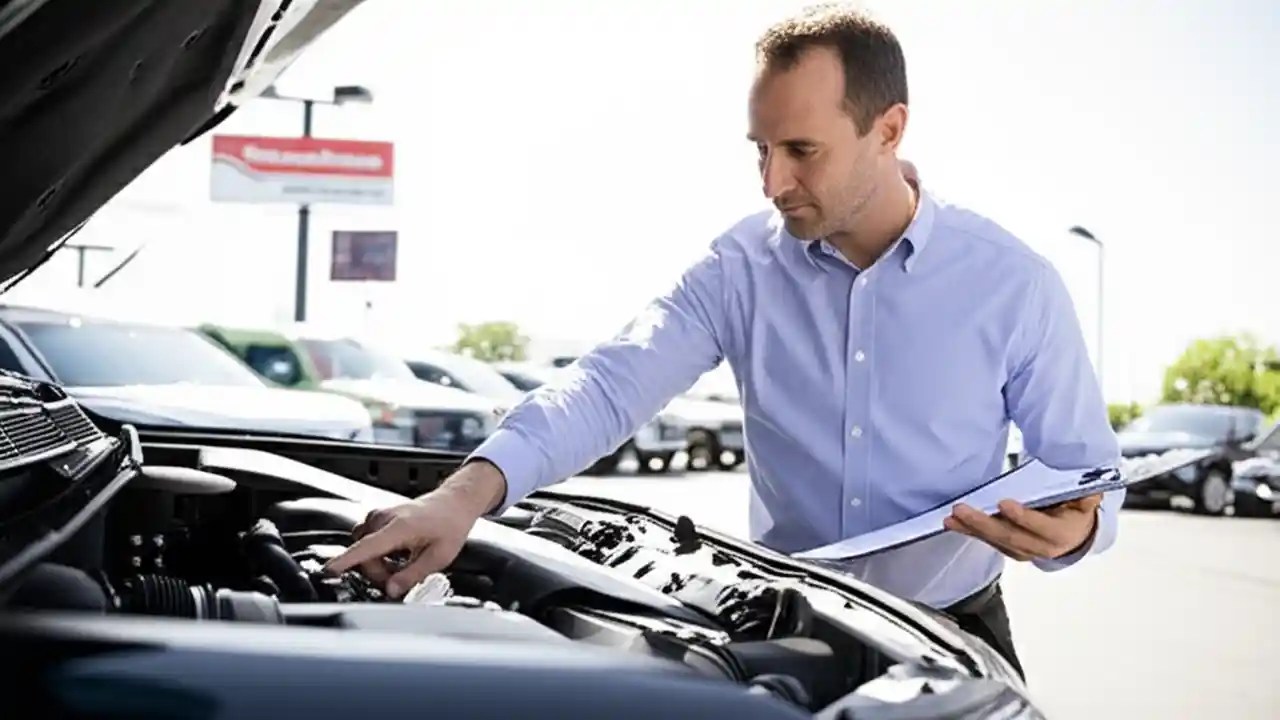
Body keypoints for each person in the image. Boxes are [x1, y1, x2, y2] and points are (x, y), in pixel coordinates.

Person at [324, 3, 1121, 677]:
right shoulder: (739, 268)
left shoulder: (1015, 283)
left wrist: (1075, 529)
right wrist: (462, 498)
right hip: (784, 628)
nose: (773, 183)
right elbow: (606, 385)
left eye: (802, 151)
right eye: (761, 150)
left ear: (889, 129)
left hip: (955, 634)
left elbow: (1088, 472)